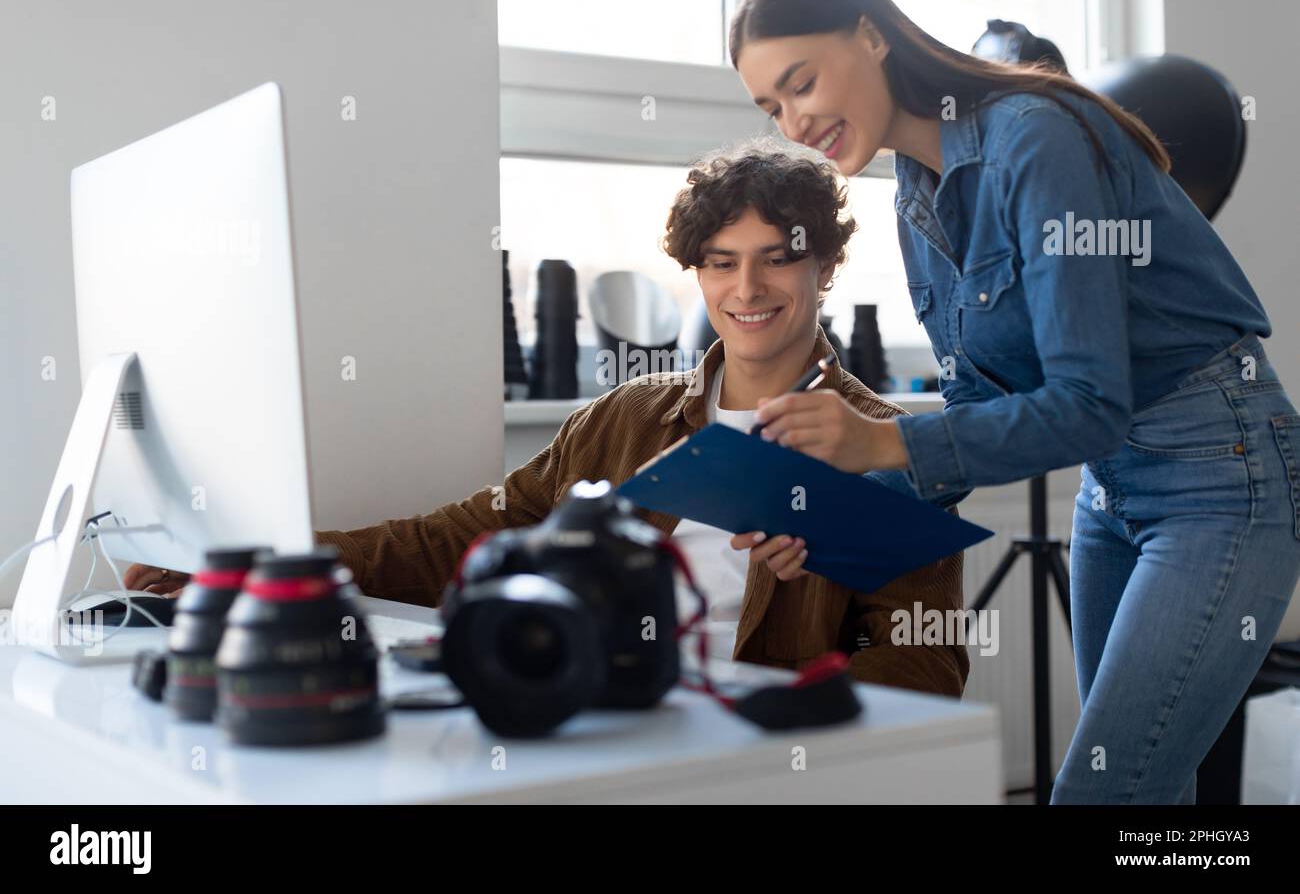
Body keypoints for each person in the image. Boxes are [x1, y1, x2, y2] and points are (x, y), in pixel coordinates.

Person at [727, 0, 1300, 803]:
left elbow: (1087, 404)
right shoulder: (913, 195)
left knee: (1103, 793)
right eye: (771, 108)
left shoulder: (1034, 136)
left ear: (872, 36)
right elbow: (975, 403)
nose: (793, 123)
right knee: (1150, 793)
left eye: (801, 83)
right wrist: (828, 511)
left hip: (1223, 472)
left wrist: (880, 438)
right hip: (1112, 490)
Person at [127, 141, 971, 698]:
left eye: (777, 261)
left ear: (824, 267)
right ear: (699, 276)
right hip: (599, 716)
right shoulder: (623, 421)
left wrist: (793, 703)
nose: (747, 291)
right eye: (722, 264)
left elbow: (928, 657)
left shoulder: (889, 445)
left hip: (749, 752)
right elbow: (449, 542)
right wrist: (256, 569)